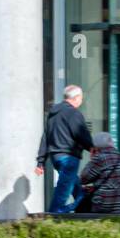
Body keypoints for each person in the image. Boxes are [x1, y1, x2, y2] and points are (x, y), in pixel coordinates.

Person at [34, 84, 94, 214]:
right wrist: (92, 148)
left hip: (55, 158)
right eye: (81, 98)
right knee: (60, 200)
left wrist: (40, 161)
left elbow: (46, 137)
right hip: (69, 158)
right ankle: (53, 218)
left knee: (76, 188)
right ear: (76, 98)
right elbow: (80, 133)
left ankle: (86, 208)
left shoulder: (52, 114)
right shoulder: (73, 112)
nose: (81, 101)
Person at [75, 132, 120, 214]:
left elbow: (83, 179)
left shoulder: (99, 157)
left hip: (106, 204)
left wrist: (92, 157)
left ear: (96, 146)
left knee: (81, 204)